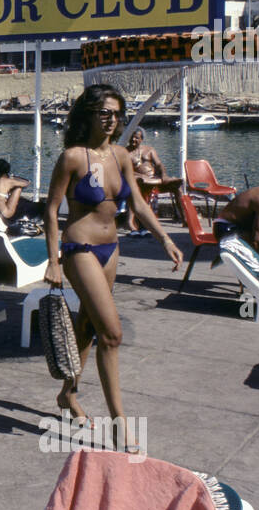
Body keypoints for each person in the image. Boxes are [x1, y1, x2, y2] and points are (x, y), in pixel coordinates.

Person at [43, 84, 182, 453]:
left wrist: (165, 238)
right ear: (88, 114)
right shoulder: (73, 157)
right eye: (104, 112)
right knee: (112, 333)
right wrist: (54, 260)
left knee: (88, 328)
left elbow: (137, 202)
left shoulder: (121, 155)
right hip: (80, 247)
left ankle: (67, 394)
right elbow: (51, 210)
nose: (112, 120)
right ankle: (120, 425)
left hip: (111, 248)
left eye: (117, 114)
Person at [123, 129, 183, 231]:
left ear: (141, 139)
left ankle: (184, 218)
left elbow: (159, 164)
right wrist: (140, 176)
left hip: (155, 180)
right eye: (131, 137)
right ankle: (129, 222)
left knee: (177, 188)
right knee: (134, 187)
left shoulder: (149, 150)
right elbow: (124, 170)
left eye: (136, 138)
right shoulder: (124, 152)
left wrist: (163, 174)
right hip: (139, 180)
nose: (133, 139)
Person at [0, 159, 34, 224]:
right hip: (5, 213)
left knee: (4, 193)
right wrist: (12, 177)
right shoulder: (8, 181)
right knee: (18, 188)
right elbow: (26, 183)